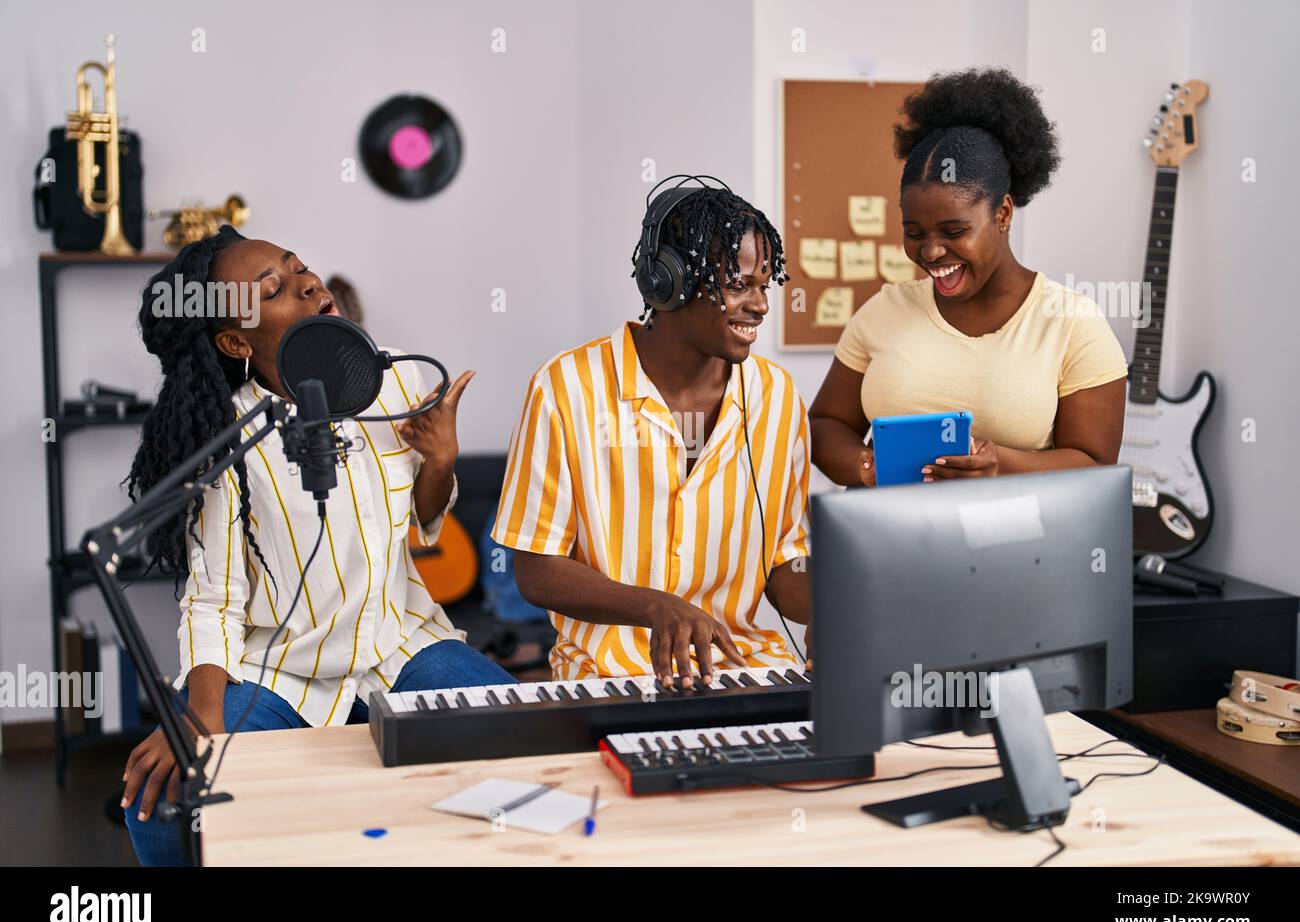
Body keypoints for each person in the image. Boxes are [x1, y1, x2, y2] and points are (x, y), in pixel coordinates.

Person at [120, 226, 514, 865]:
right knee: (165, 806)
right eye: (273, 288)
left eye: (297, 266)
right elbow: (213, 598)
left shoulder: (400, 379)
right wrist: (197, 715)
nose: (306, 283)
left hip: (399, 643)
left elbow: (427, 522)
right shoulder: (228, 439)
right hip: (277, 670)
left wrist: (440, 463)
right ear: (234, 340)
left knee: (522, 744)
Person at [492, 181, 812, 688]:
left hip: (743, 674)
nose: (761, 306)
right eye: (737, 284)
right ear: (670, 283)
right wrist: (652, 606)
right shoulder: (565, 388)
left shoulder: (777, 396)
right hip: (607, 677)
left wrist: (837, 609)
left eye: (764, 285)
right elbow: (536, 568)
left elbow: (783, 566)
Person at [809, 68, 1128, 487]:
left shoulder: (1072, 322)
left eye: (955, 232)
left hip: (1019, 548)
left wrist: (1000, 466)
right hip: (890, 545)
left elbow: (1097, 468)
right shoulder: (884, 311)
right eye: (914, 232)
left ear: (1003, 214)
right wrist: (870, 468)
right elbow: (825, 424)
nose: (932, 251)